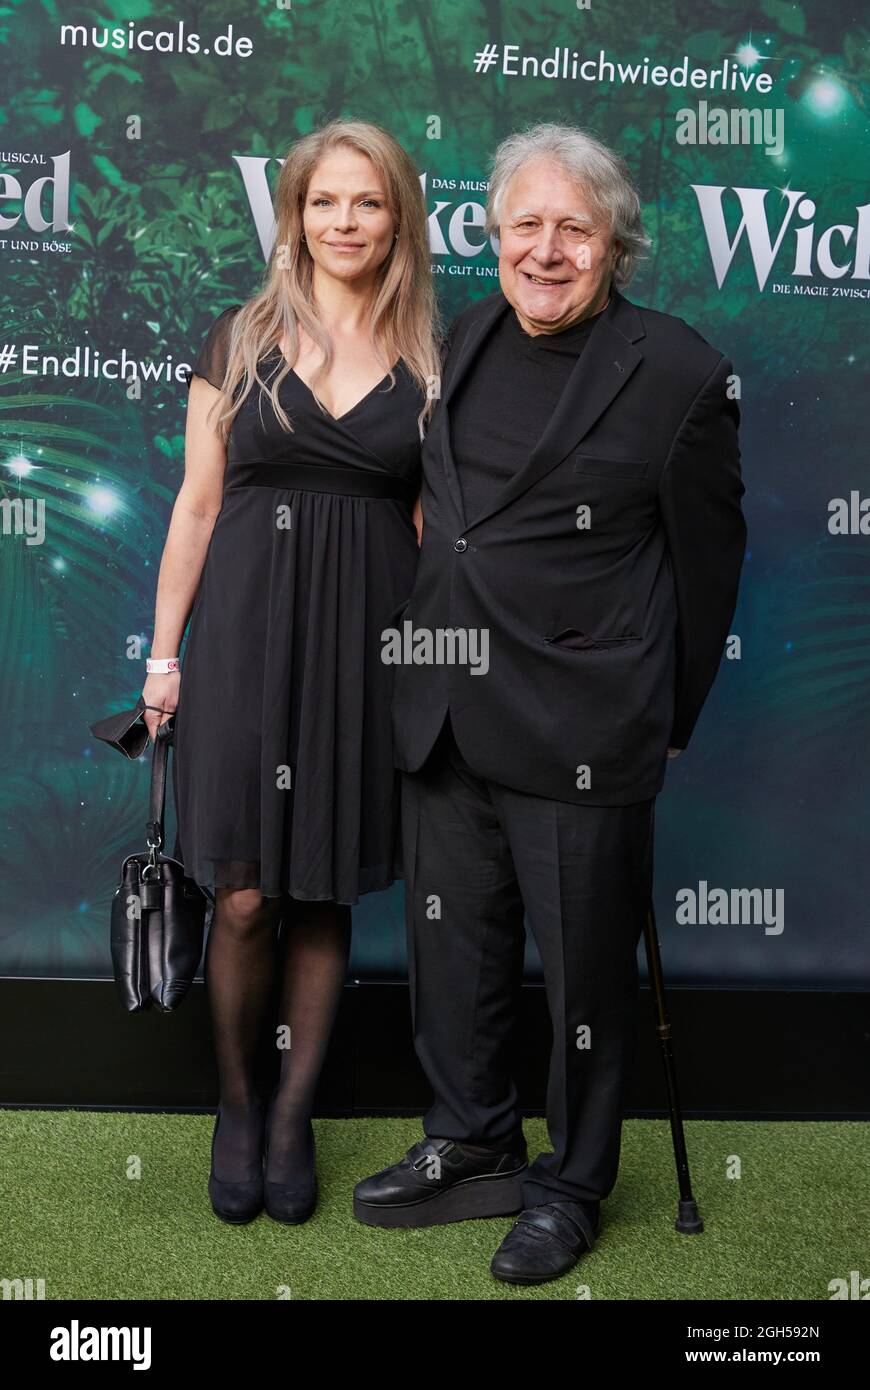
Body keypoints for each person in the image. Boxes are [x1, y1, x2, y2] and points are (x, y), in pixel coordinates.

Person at [353, 122, 747, 1284]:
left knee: (581, 975)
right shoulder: (462, 338)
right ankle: (471, 1139)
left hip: (583, 727)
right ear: (492, 232)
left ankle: (570, 1184)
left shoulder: (678, 371)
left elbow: (710, 564)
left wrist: (666, 715)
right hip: (446, 710)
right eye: (525, 224)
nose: (546, 248)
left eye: (574, 227)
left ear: (613, 241)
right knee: (453, 953)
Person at [141, 120, 437, 1225]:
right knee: (249, 891)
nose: (344, 222)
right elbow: (198, 506)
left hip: (367, 646)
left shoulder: (427, 362)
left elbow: (427, 525)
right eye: (324, 202)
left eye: (366, 202)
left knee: (323, 889)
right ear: (295, 215)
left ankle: (292, 1114)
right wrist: (164, 656)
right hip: (244, 639)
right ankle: (235, 1101)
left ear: (398, 216)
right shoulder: (239, 337)